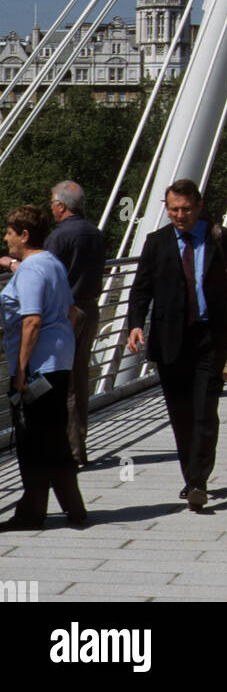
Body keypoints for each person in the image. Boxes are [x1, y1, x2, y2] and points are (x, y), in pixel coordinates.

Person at [126, 179, 227, 511]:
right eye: (173, 209)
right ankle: (191, 475)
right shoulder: (156, 243)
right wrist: (136, 324)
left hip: (212, 338)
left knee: (205, 412)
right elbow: (141, 289)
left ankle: (198, 480)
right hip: (170, 341)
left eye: (185, 209)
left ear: (199, 207)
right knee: (181, 413)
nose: (179, 215)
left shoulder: (223, 239)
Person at [0, 206, 87, 531]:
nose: (6, 237)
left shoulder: (33, 270)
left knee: (33, 441)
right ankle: (74, 510)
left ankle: (31, 512)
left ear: (24, 235)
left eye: (9, 232)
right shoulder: (52, 263)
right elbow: (71, 313)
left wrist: (20, 371)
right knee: (53, 438)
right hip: (58, 362)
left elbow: (32, 321)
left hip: (38, 369)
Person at [44, 181, 106, 468]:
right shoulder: (95, 234)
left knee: (62, 381)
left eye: (52, 204)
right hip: (90, 309)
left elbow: (45, 275)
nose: (51, 209)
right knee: (80, 379)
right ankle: (79, 446)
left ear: (61, 205)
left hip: (65, 312)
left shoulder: (59, 237)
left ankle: (68, 451)